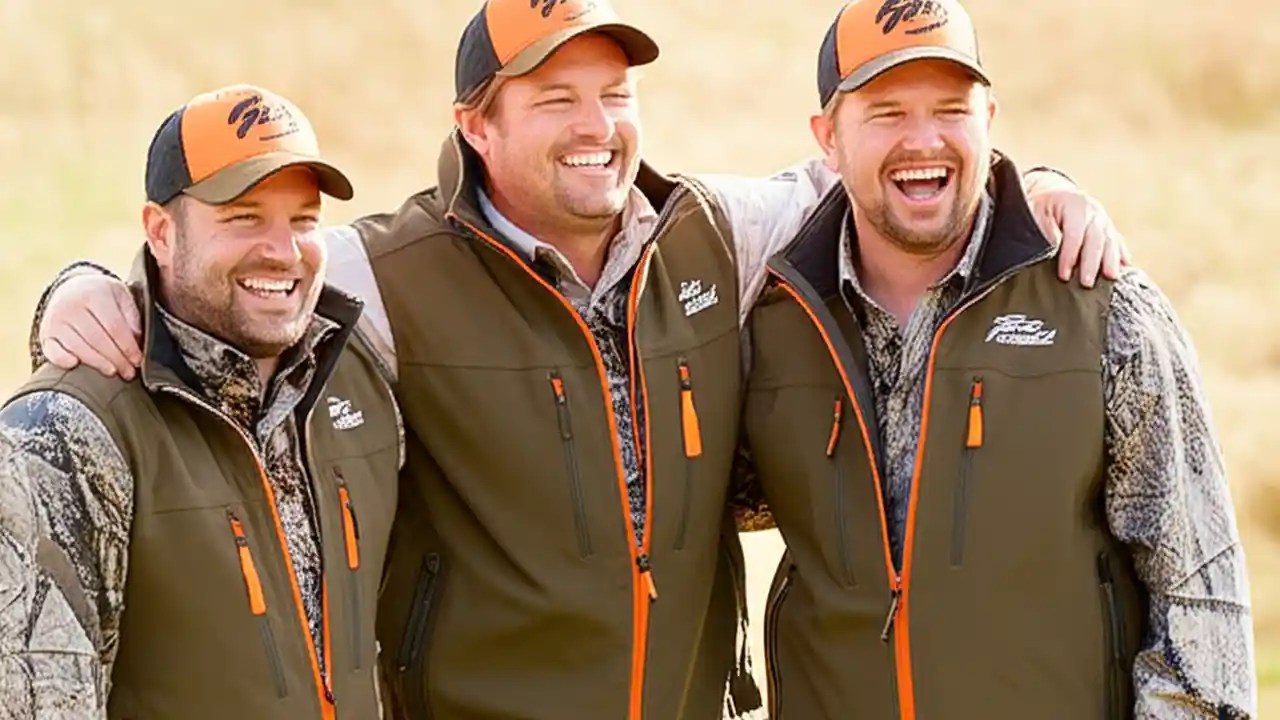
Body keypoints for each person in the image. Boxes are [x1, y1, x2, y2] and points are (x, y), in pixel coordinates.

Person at [26, 2, 1129, 718]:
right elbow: (239, 285)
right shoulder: (387, 269)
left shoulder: (716, 230)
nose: (594, 125)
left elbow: (895, 166)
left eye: (613, 94)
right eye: (554, 97)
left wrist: (1040, 185)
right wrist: (80, 287)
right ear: (476, 125)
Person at [740, 1, 1257, 717]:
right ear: (827, 138)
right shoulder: (769, 318)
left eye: (951, 109)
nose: (924, 142)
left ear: (989, 119)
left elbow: (1199, 601)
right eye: (887, 112)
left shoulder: (1106, 311)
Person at [0, 85, 402, 718]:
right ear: (160, 232)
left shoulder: (359, 382)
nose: (283, 249)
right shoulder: (65, 432)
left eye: (302, 219)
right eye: (244, 217)